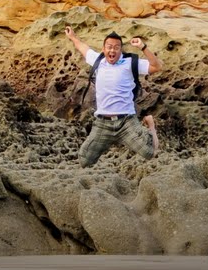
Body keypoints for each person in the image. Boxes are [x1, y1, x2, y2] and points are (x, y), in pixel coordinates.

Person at [64, 24, 161, 166]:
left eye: (116, 47)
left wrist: (143, 47)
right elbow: (82, 48)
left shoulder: (130, 62)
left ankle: (150, 124)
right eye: (109, 46)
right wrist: (72, 36)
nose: (112, 50)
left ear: (121, 50)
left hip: (126, 121)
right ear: (103, 49)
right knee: (84, 160)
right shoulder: (98, 60)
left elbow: (157, 66)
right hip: (103, 123)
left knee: (149, 152)